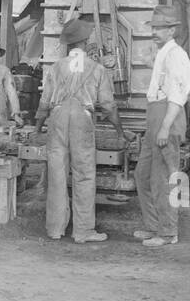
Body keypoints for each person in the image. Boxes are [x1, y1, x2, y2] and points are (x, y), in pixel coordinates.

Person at [33, 17, 131, 243]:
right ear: (86, 41)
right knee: (84, 175)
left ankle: (55, 229)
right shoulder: (96, 68)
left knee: (56, 175)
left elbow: (44, 103)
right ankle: (83, 231)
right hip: (82, 119)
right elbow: (108, 106)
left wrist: (37, 130)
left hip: (57, 118)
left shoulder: (56, 67)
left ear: (68, 44)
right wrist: (119, 132)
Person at [134, 4, 190, 246]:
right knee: (143, 175)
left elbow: (178, 94)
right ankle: (153, 226)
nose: (154, 32)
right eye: (154, 27)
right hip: (155, 116)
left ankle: (167, 233)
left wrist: (166, 127)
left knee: (162, 179)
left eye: (159, 28)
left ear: (172, 30)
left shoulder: (176, 55)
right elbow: (163, 80)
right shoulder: (163, 54)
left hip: (167, 117)